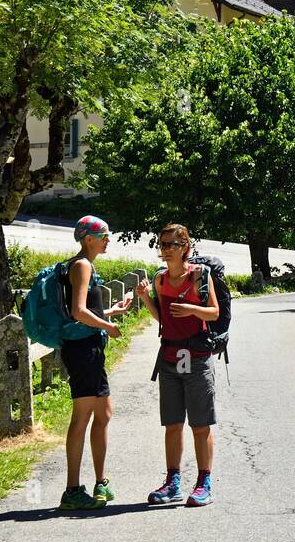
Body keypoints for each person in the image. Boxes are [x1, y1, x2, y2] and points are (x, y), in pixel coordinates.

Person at [138, 224, 220, 508]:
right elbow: (163, 318)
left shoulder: (199, 276)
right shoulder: (160, 279)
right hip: (170, 358)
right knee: (172, 425)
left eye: (171, 244)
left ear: (185, 246)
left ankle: (203, 482)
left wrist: (192, 309)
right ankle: (172, 482)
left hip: (197, 358)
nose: (165, 249)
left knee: (200, 425)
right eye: (162, 244)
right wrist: (146, 299)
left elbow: (214, 312)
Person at [59, 215, 133, 511]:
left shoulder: (82, 265)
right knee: (82, 418)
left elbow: (86, 310)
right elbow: (78, 312)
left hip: (88, 349)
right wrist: (107, 326)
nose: (107, 240)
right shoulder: (81, 265)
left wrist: (110, 312)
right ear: (88, 238)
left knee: (103, 413)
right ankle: (72, 490)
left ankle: (101, 481)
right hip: (82, 351)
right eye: (103, 235)